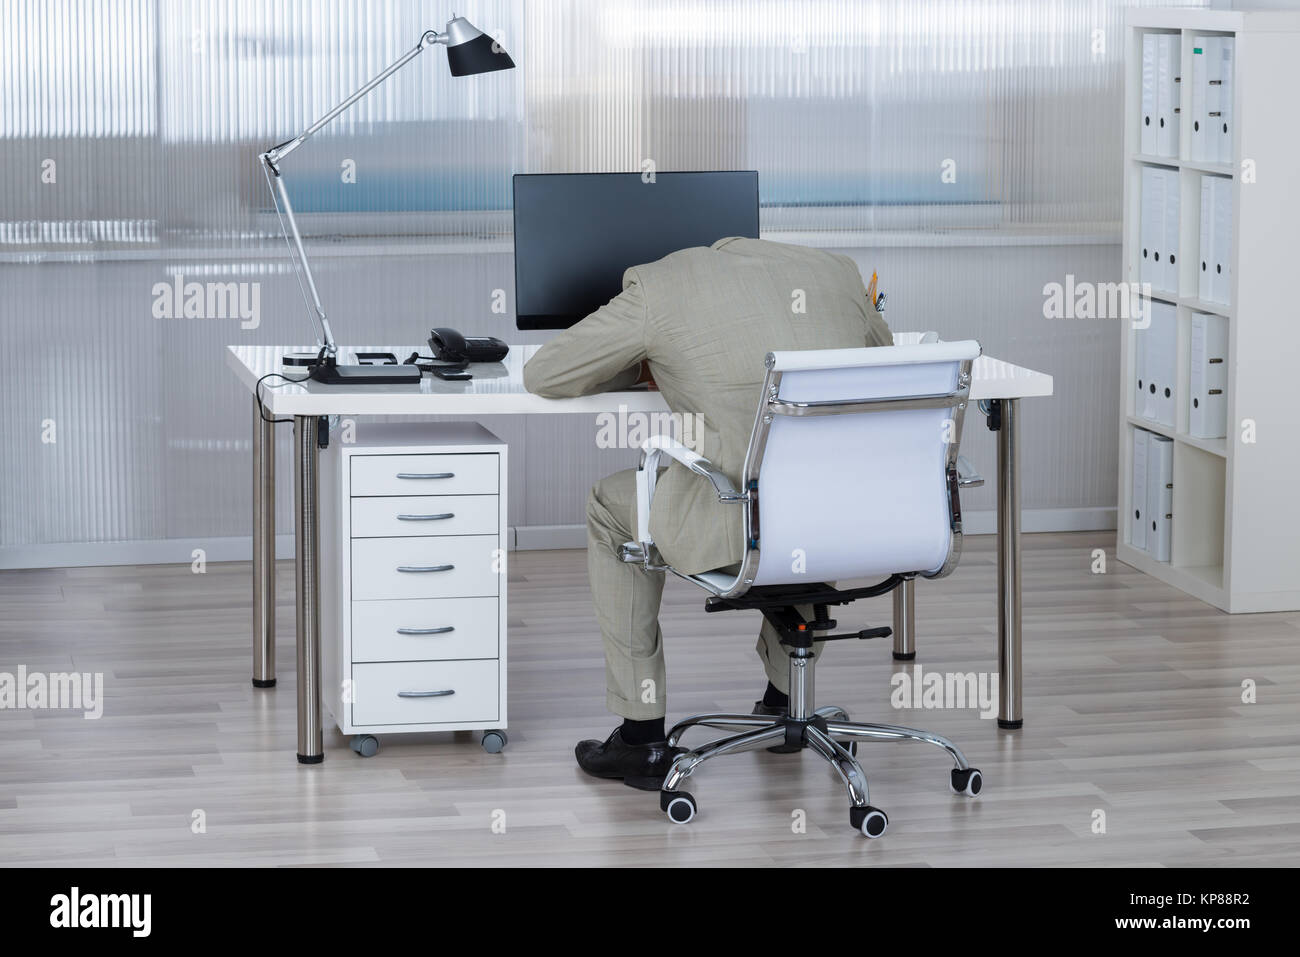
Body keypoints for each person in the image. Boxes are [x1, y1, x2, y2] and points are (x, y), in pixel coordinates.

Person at [523, 237, 892, 789]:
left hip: (737, 518)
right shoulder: (835, 272)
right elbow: (886, 359)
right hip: (850, 516)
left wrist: (644, 362)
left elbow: (545, 374)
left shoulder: (661, 284)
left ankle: (641, 736)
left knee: (611, 506)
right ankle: (786, 701)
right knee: (801, 493)